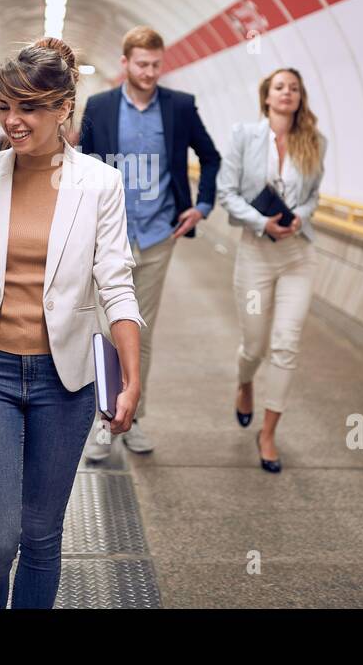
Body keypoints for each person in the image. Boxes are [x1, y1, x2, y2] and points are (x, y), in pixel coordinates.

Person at [0, 37, 144, 608]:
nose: (13, 121)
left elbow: (116, 284)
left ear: (64, 108)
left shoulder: (99, 185)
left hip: (63, 382)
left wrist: (132, 376)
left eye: (28, 108)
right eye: (5, 106)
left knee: (42, 537)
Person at [77, 25, 220, 458]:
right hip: (110, 236)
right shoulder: (99, 107)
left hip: (159, 235)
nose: (150, 72)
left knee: (141, 331)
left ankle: (133, 419)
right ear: (125, 63)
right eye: (142, 64)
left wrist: (202, 205)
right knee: (105, 329)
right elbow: (83, 166)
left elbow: (210, 156)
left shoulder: (179, 107)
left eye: (157, 64)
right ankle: (106, 419)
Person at [216, 67, 326, 473]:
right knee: (255, 344)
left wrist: (299, 216)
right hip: (256, 253)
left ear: (300, 98)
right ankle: (244, 381)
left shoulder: (314, 142)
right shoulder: (245, 136)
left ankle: (268, 433)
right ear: (267, 96)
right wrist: (263, 222)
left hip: (298, 255)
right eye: (280, 87)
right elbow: (226, 193)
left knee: (286, 343)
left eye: (294, 88)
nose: (287, 93)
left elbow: (313, 195)